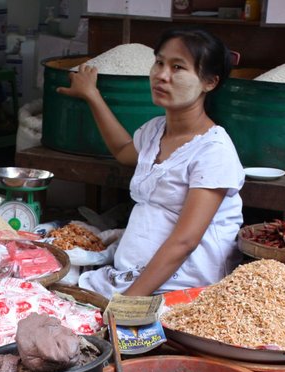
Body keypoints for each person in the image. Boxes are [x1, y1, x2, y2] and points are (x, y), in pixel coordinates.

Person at [57, 28, 244, 297]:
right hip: (132, 277)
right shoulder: (156, 130)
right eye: (159, 62)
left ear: (210, 82)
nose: (161, 75)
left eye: (177, 67)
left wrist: (130, 302)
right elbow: (123, 151)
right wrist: (92, 96)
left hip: (181, 288)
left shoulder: (213, 152)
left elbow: (185, 241)